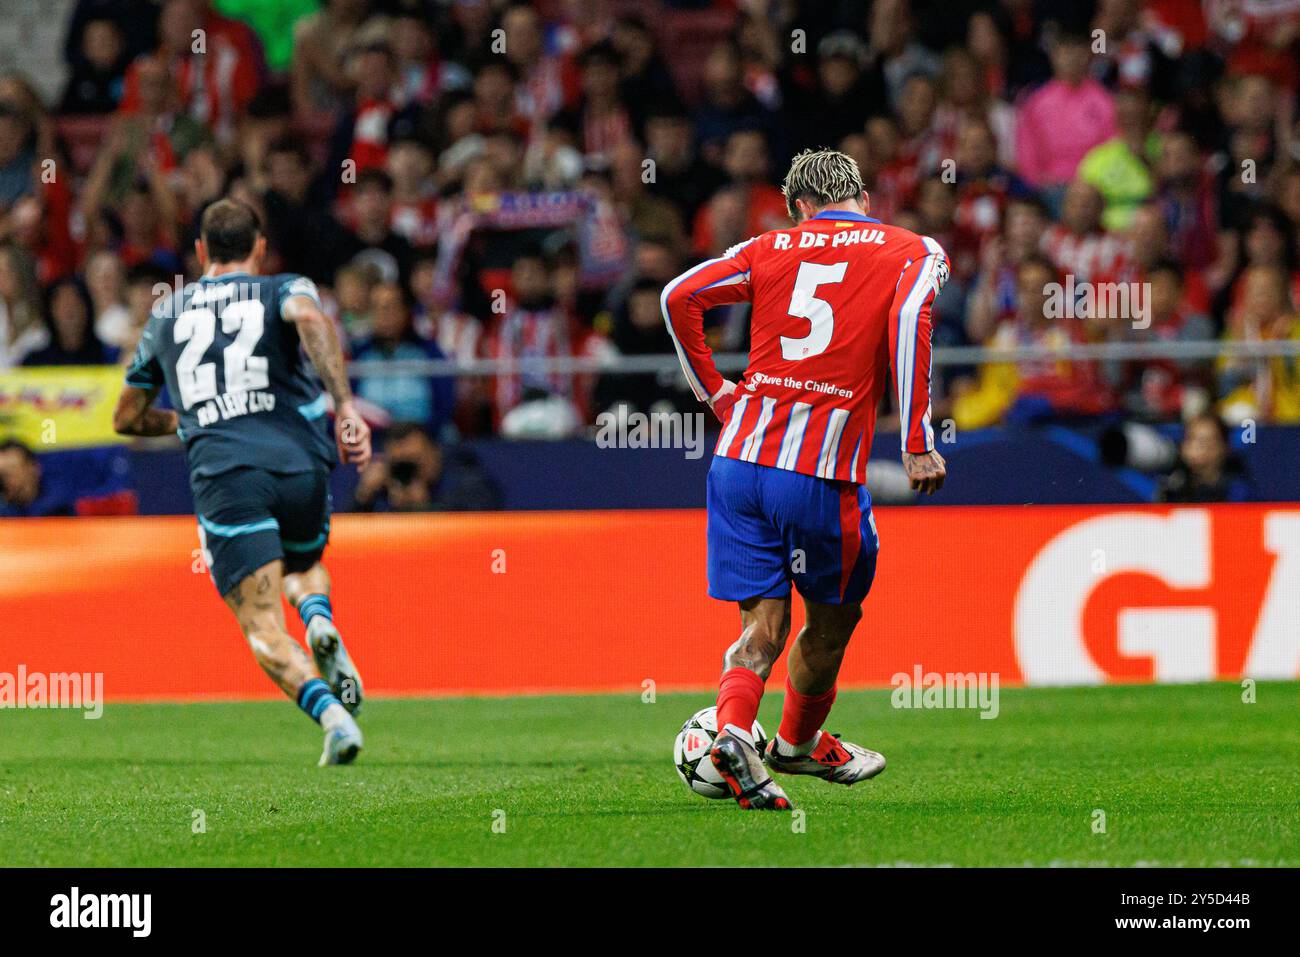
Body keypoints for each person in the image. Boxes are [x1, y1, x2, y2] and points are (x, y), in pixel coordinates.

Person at [660, 148, 949, 811]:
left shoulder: (769, 247)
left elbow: (678, 296)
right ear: (865, 201)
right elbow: (909, 321)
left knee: (761, 628)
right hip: (819, 476)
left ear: (800, 209)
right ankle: (795, 742)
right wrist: (915, 441)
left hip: (737, 465)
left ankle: (734, 730)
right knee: (830, 624)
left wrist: (717, 394)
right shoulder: (911, 249)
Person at [112, 198, 373, 767]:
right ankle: (322, 621)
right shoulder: (284, 286)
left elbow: (126, 418)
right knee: (301, 566)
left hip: (229, 476)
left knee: (260, 623)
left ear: (201, 252)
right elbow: (310, 318)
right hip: (301, 464)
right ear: (259, 247)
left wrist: (186, 420)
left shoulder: (165, 314)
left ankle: (334, 720)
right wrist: (346, 406)